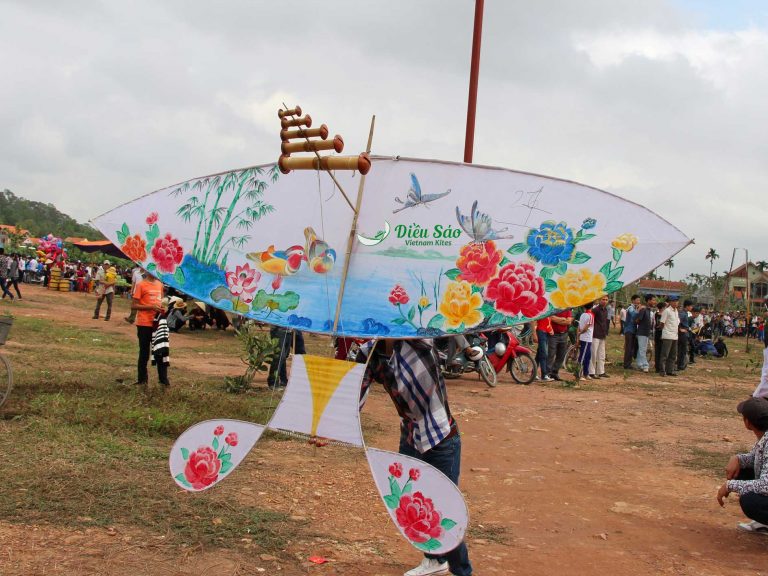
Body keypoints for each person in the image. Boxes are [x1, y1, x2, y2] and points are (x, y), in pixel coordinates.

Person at [358, 339, 473, 576]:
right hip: (411, 437)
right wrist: (328, 430)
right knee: (412, 503)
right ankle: (434, 559)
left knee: (442, 511)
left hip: (442, 438)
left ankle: (463, 571)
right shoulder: (369, 353)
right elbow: (353, 394)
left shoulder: (420, 341)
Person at [717, 397, 768, 533]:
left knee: (751, 501)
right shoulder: (764, 437)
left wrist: (730, 485)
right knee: (742, 471)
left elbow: (765, 486)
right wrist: (738, 458)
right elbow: (756, 458)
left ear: (747, 423)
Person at [131, 273, 167, 386]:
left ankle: (164, 380)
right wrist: (150, 307)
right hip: (144, 323)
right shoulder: (141, 285)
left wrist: (163, 308)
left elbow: (161, 301)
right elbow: (134, 305)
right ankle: (142, 380)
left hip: (157, 323)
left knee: (160, 351)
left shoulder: (160, 284)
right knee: (144, 353)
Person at [547, 308, 573, 381]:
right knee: (551, 354)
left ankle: (554, 372)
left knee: (561, 354)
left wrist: (558, 319)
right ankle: (547, 372)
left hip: (564, 334)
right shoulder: (553, 309)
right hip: (553, 334)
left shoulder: (567, 309)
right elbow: (551, 318)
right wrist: (563, 319)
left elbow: (569, 322)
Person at [658, 296, 680, 377]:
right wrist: (664, 331)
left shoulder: (676, 311)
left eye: (677, 301)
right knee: (665, 354)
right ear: (670, 302)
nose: (676, 303)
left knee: (673, 355)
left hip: (675, 335)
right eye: (674, 301)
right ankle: (662, 371)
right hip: (667, 335)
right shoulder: (667, 311)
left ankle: (670, 370)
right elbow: (662, 323)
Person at [589, 295, 610, 378]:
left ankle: (601, 371)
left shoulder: (605, 310)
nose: (605, 301)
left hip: (602, 334)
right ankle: (591, 372)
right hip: (595, 334)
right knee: (593, 354)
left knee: (601, 354)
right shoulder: (595, 310)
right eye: (603, 299)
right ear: (599, 300)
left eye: (606, 300)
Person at [635, 294, 656, 373]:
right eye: (653, 300)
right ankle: (645, 365)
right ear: (648, 301)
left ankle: (639, 364)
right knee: (642, 350)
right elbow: (638, 320)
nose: (654, 302)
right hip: (642, 332)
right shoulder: (643, 309)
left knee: (641, 349)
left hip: (646, 333)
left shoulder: (648, 310)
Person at [577, 302, 594, 381]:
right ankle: (578, 373)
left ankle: (586, 373)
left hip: (585, 338)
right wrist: (580, 333)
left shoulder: (582, 315)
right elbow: (586, 328)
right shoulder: (590, 315)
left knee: (587, 356)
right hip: (586, 338)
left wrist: (579, 334)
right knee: (583, 356)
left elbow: (579, 326)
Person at [622, 295, 640, 369]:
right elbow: (634, 315)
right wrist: (639, 310)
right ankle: (626, 364)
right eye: (637, 300)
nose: (639, 302)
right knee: (628, 347)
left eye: (639, 300)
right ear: (633, 300)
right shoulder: (630, 308)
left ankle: (629, 363)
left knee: (632, 347)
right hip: (629, 330)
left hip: (633, 330)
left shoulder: (635, 308)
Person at [533, 316, 553, 381]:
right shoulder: (540, 307)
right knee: (544, 354)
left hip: (544, 332)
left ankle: (534, 373)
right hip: (541, 331)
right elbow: (532, 320)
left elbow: (548, 320)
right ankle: (544, 375)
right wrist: (534, 334)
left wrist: (550, 328)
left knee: (540, 354)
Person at [677, 300, 693, 371]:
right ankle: (680, 365)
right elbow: (677, 322)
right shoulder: (682, 313)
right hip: (682, 334)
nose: (692, 307)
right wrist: (680, 329)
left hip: (685, 333)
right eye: (691, 306)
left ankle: (680, 364)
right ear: (687, 306)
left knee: (683, 350)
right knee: (682, 350)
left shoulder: (685, 313)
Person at [653, 301, 666, 373]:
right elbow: (660, 325)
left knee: (657, 351)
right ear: (662, 308)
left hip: (657, 334)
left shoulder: (656, 314)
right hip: (661, 334)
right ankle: (659, 367)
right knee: (661, 351)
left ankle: (657, 367)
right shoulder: (661, 315)